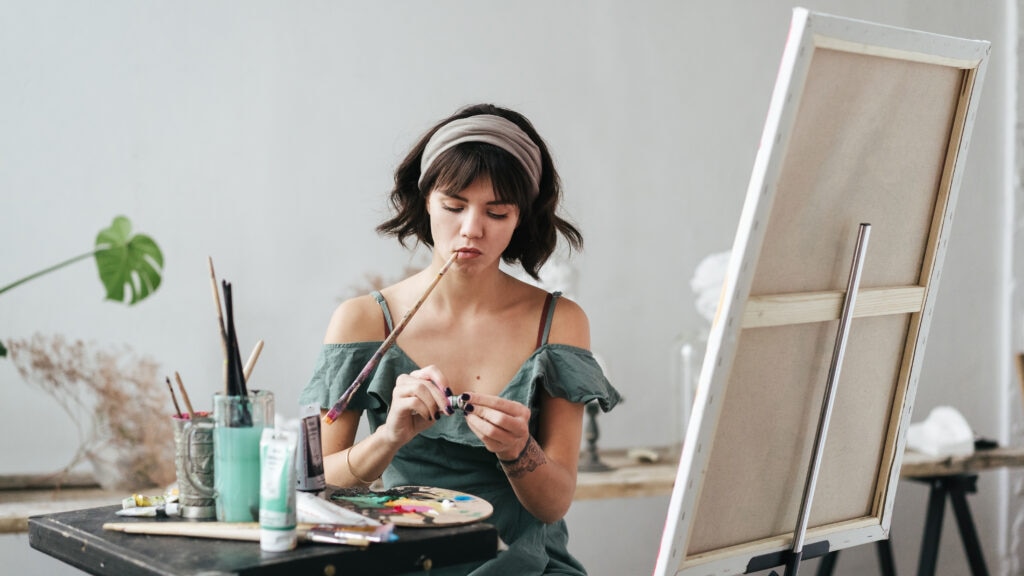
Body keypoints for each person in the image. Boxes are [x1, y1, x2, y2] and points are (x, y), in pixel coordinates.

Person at [299, 103, 621, 575]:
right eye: (453, 206)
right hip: (404, 562)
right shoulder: (364, 321)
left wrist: (517, 450)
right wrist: (388, 438)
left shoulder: (558, 322)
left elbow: (553, 505)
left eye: (497, 211)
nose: (472, 229)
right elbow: (316, 485)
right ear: (425, 199)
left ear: (519, 219)